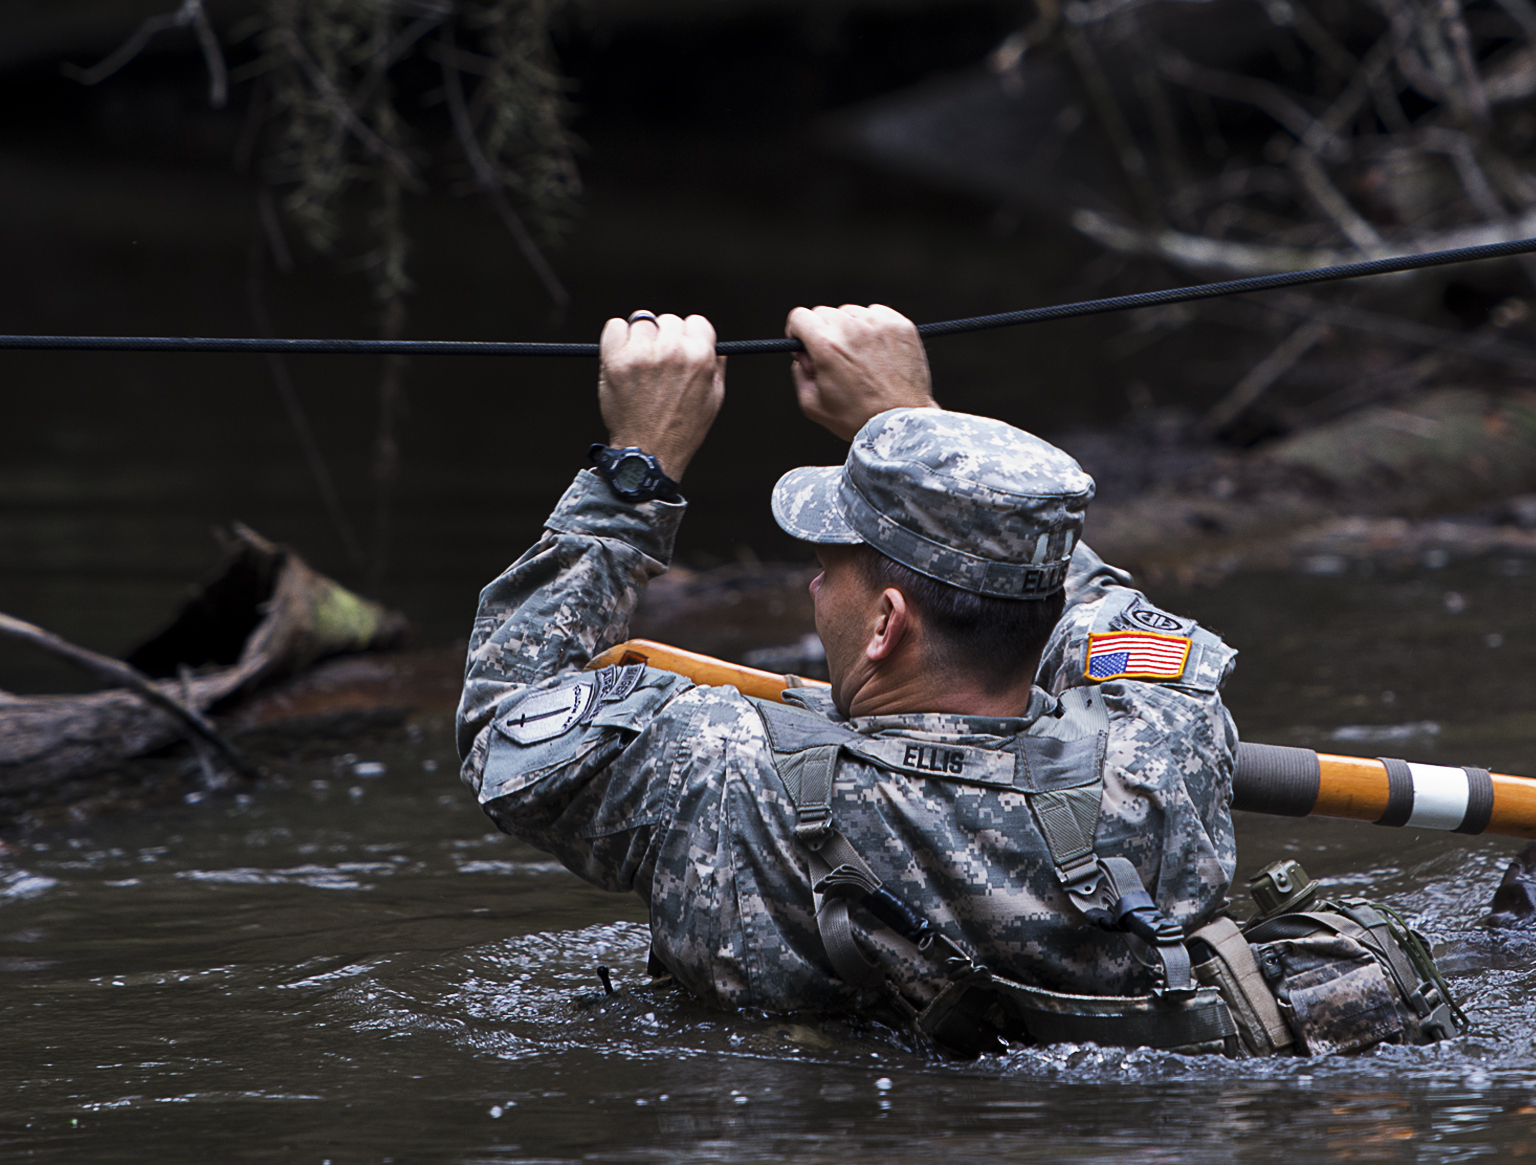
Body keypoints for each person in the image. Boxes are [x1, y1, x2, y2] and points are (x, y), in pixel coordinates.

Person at [458, 301, 1475, 1056]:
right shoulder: (1166, 739)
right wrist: (910, 417)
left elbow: (506, 715)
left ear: (888, 623)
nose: (815, 587)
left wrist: (634, 469)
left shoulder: (716, 777)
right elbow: (1088, 598)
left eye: (827, 568)